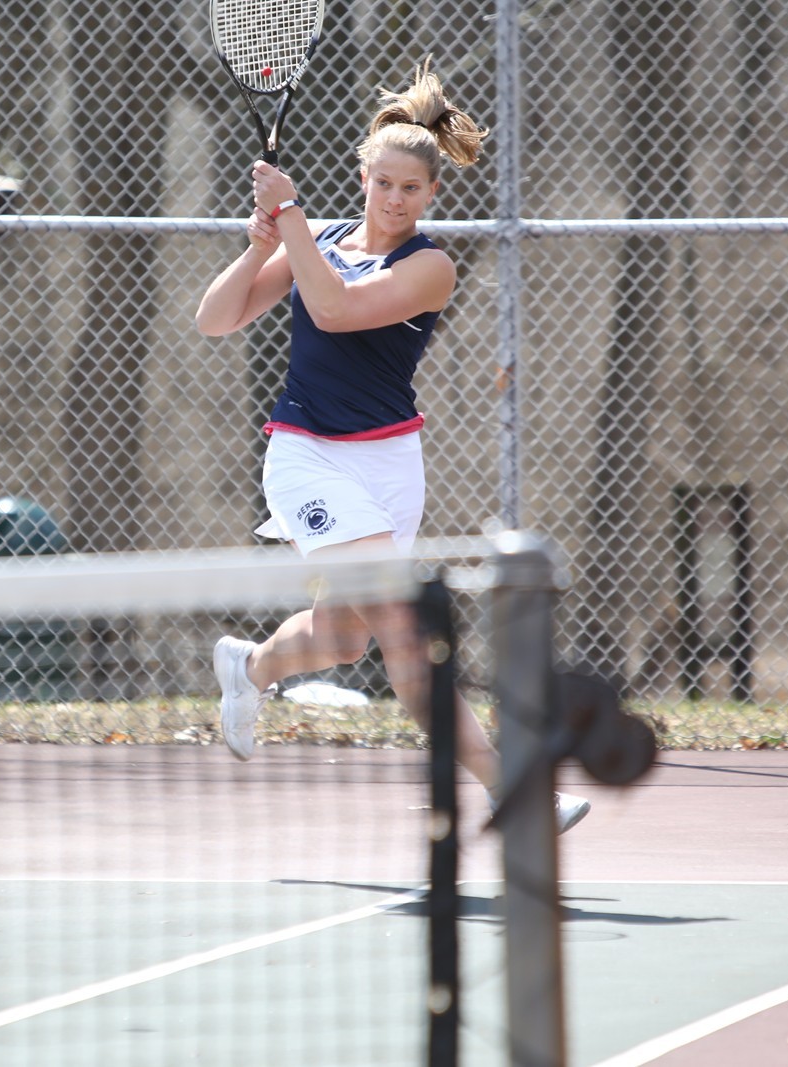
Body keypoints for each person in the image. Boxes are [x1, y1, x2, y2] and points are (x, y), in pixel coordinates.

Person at [195, 56, 589, 834]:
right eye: (385, 184)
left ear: (433, 193)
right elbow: (216, 320)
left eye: (413, 188)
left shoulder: (431, 266)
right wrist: (259, 242)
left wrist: (295, 220)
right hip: (306, 453)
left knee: (343, 638)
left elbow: (337, 311)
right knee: (407, 631)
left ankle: (247, 667)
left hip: (389, 464)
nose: (397, 199)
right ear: (365, 177)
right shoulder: (323, 238)